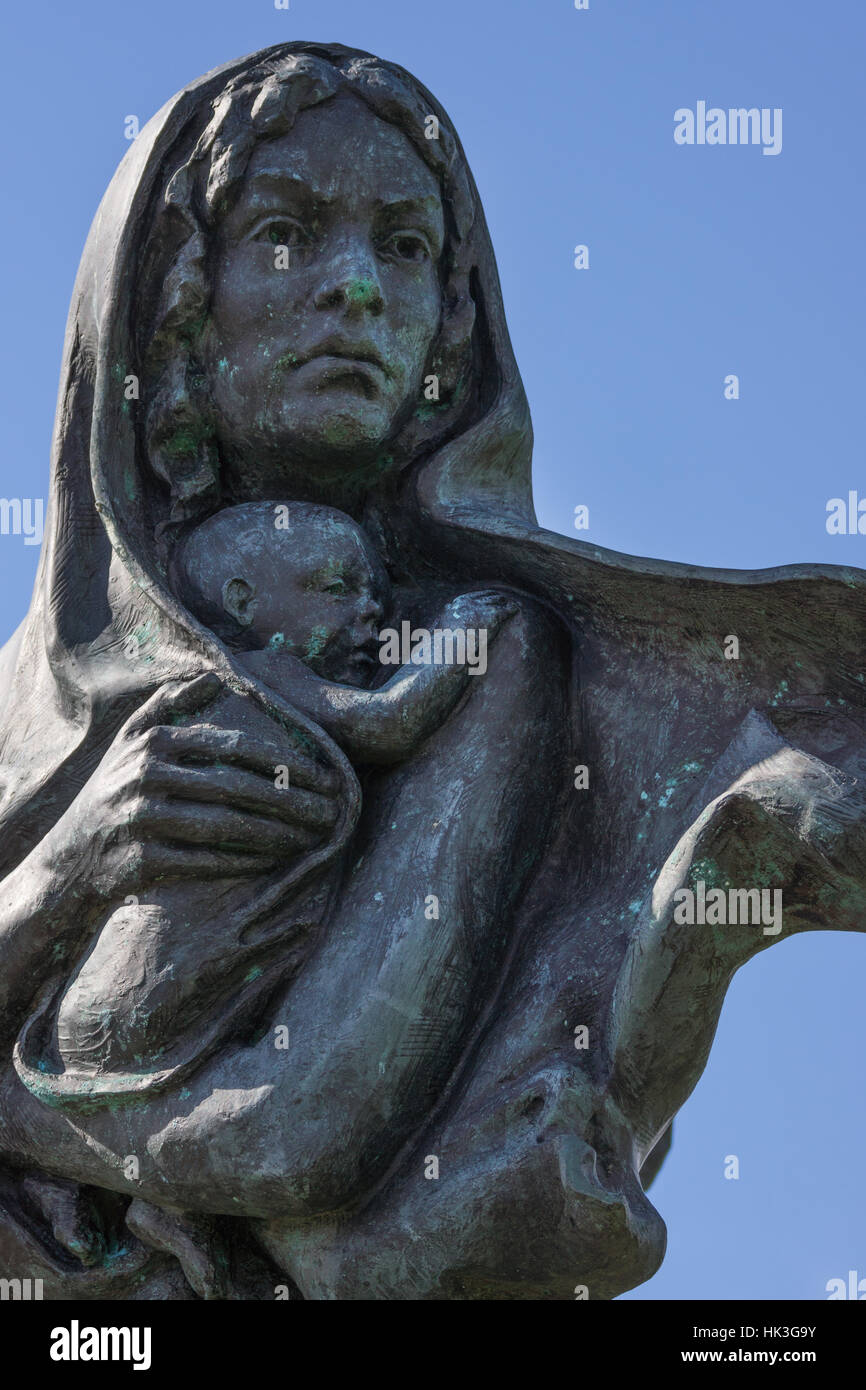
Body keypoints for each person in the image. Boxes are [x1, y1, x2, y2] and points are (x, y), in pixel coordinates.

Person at [0, 43, 863, 1301]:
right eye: (287, 234)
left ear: (449, 328)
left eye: (404, 247)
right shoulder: (21, 715)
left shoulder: (478, 659)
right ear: (174, 309)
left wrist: (20, 1113)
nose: (352, 287)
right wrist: (70, 870)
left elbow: (301, 1132)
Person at [21, 500, 515, 1092]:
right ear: (242, 603)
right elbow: (387, 721)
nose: (371, 615)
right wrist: (462, 632)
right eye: (337, 588)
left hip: (107, 1008)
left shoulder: (223, 689)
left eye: (376, 597)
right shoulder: (263, 672)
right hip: (148, 996)